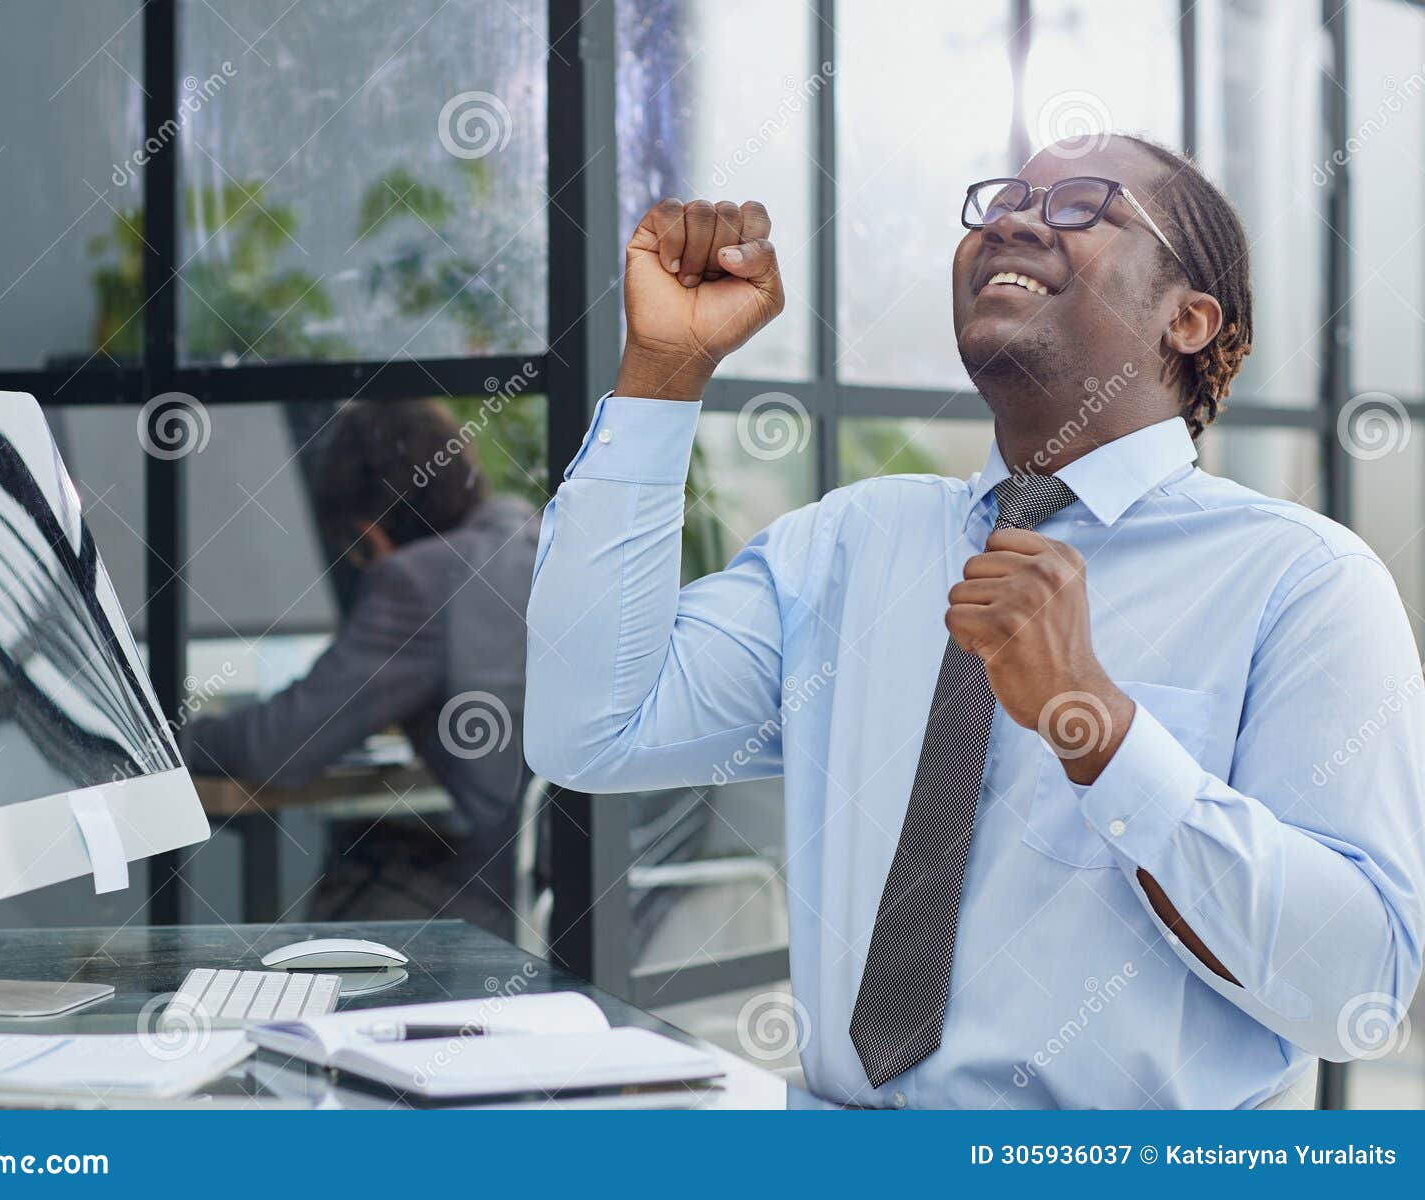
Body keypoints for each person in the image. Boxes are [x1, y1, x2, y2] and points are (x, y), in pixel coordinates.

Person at [524, 134, 1425, 1109]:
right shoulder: (848, 543)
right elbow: (592, 733)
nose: (1014, 221)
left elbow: (1358, 996)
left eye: (1082, 205)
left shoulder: (1302, 582)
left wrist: (1101, 731)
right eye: (1001, 202)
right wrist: (664, 372)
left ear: (1188, 319)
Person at [186, 399, 537, 940]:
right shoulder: (542, 538)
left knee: (364, 860)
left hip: (526, 894)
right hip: (633, 890)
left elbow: (278, 747)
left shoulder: (422, 580)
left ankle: (316, 993)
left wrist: (165, 739)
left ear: (370, 534)